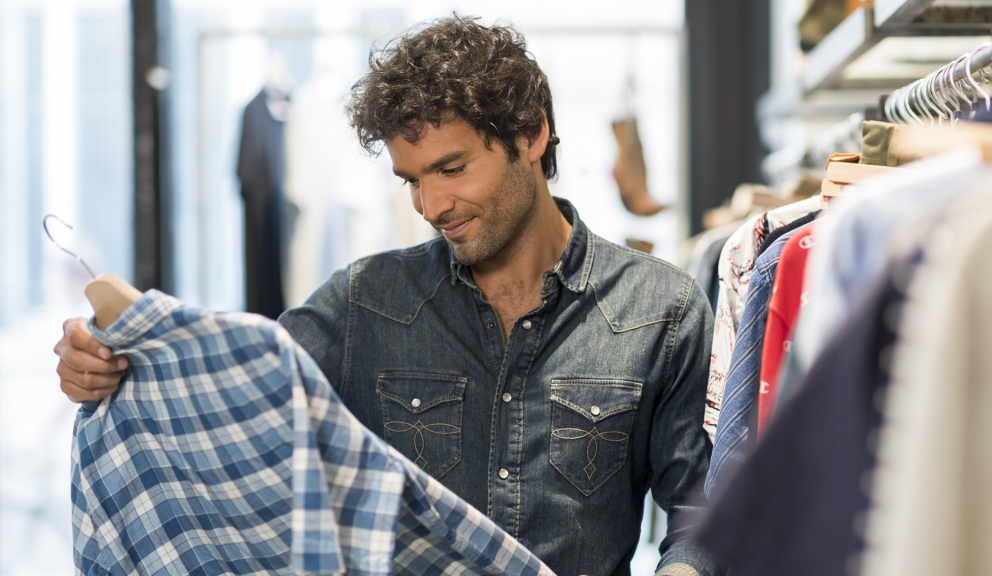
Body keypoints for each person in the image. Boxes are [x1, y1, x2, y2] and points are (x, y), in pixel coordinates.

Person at [54, 15, 719, 576]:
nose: (431, 205)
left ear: (531, 135)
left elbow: (699, 514)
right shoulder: (364, 301)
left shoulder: (661, 310)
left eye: (452, 169)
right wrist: (110, 359)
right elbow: (229, 388)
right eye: (411, 180)